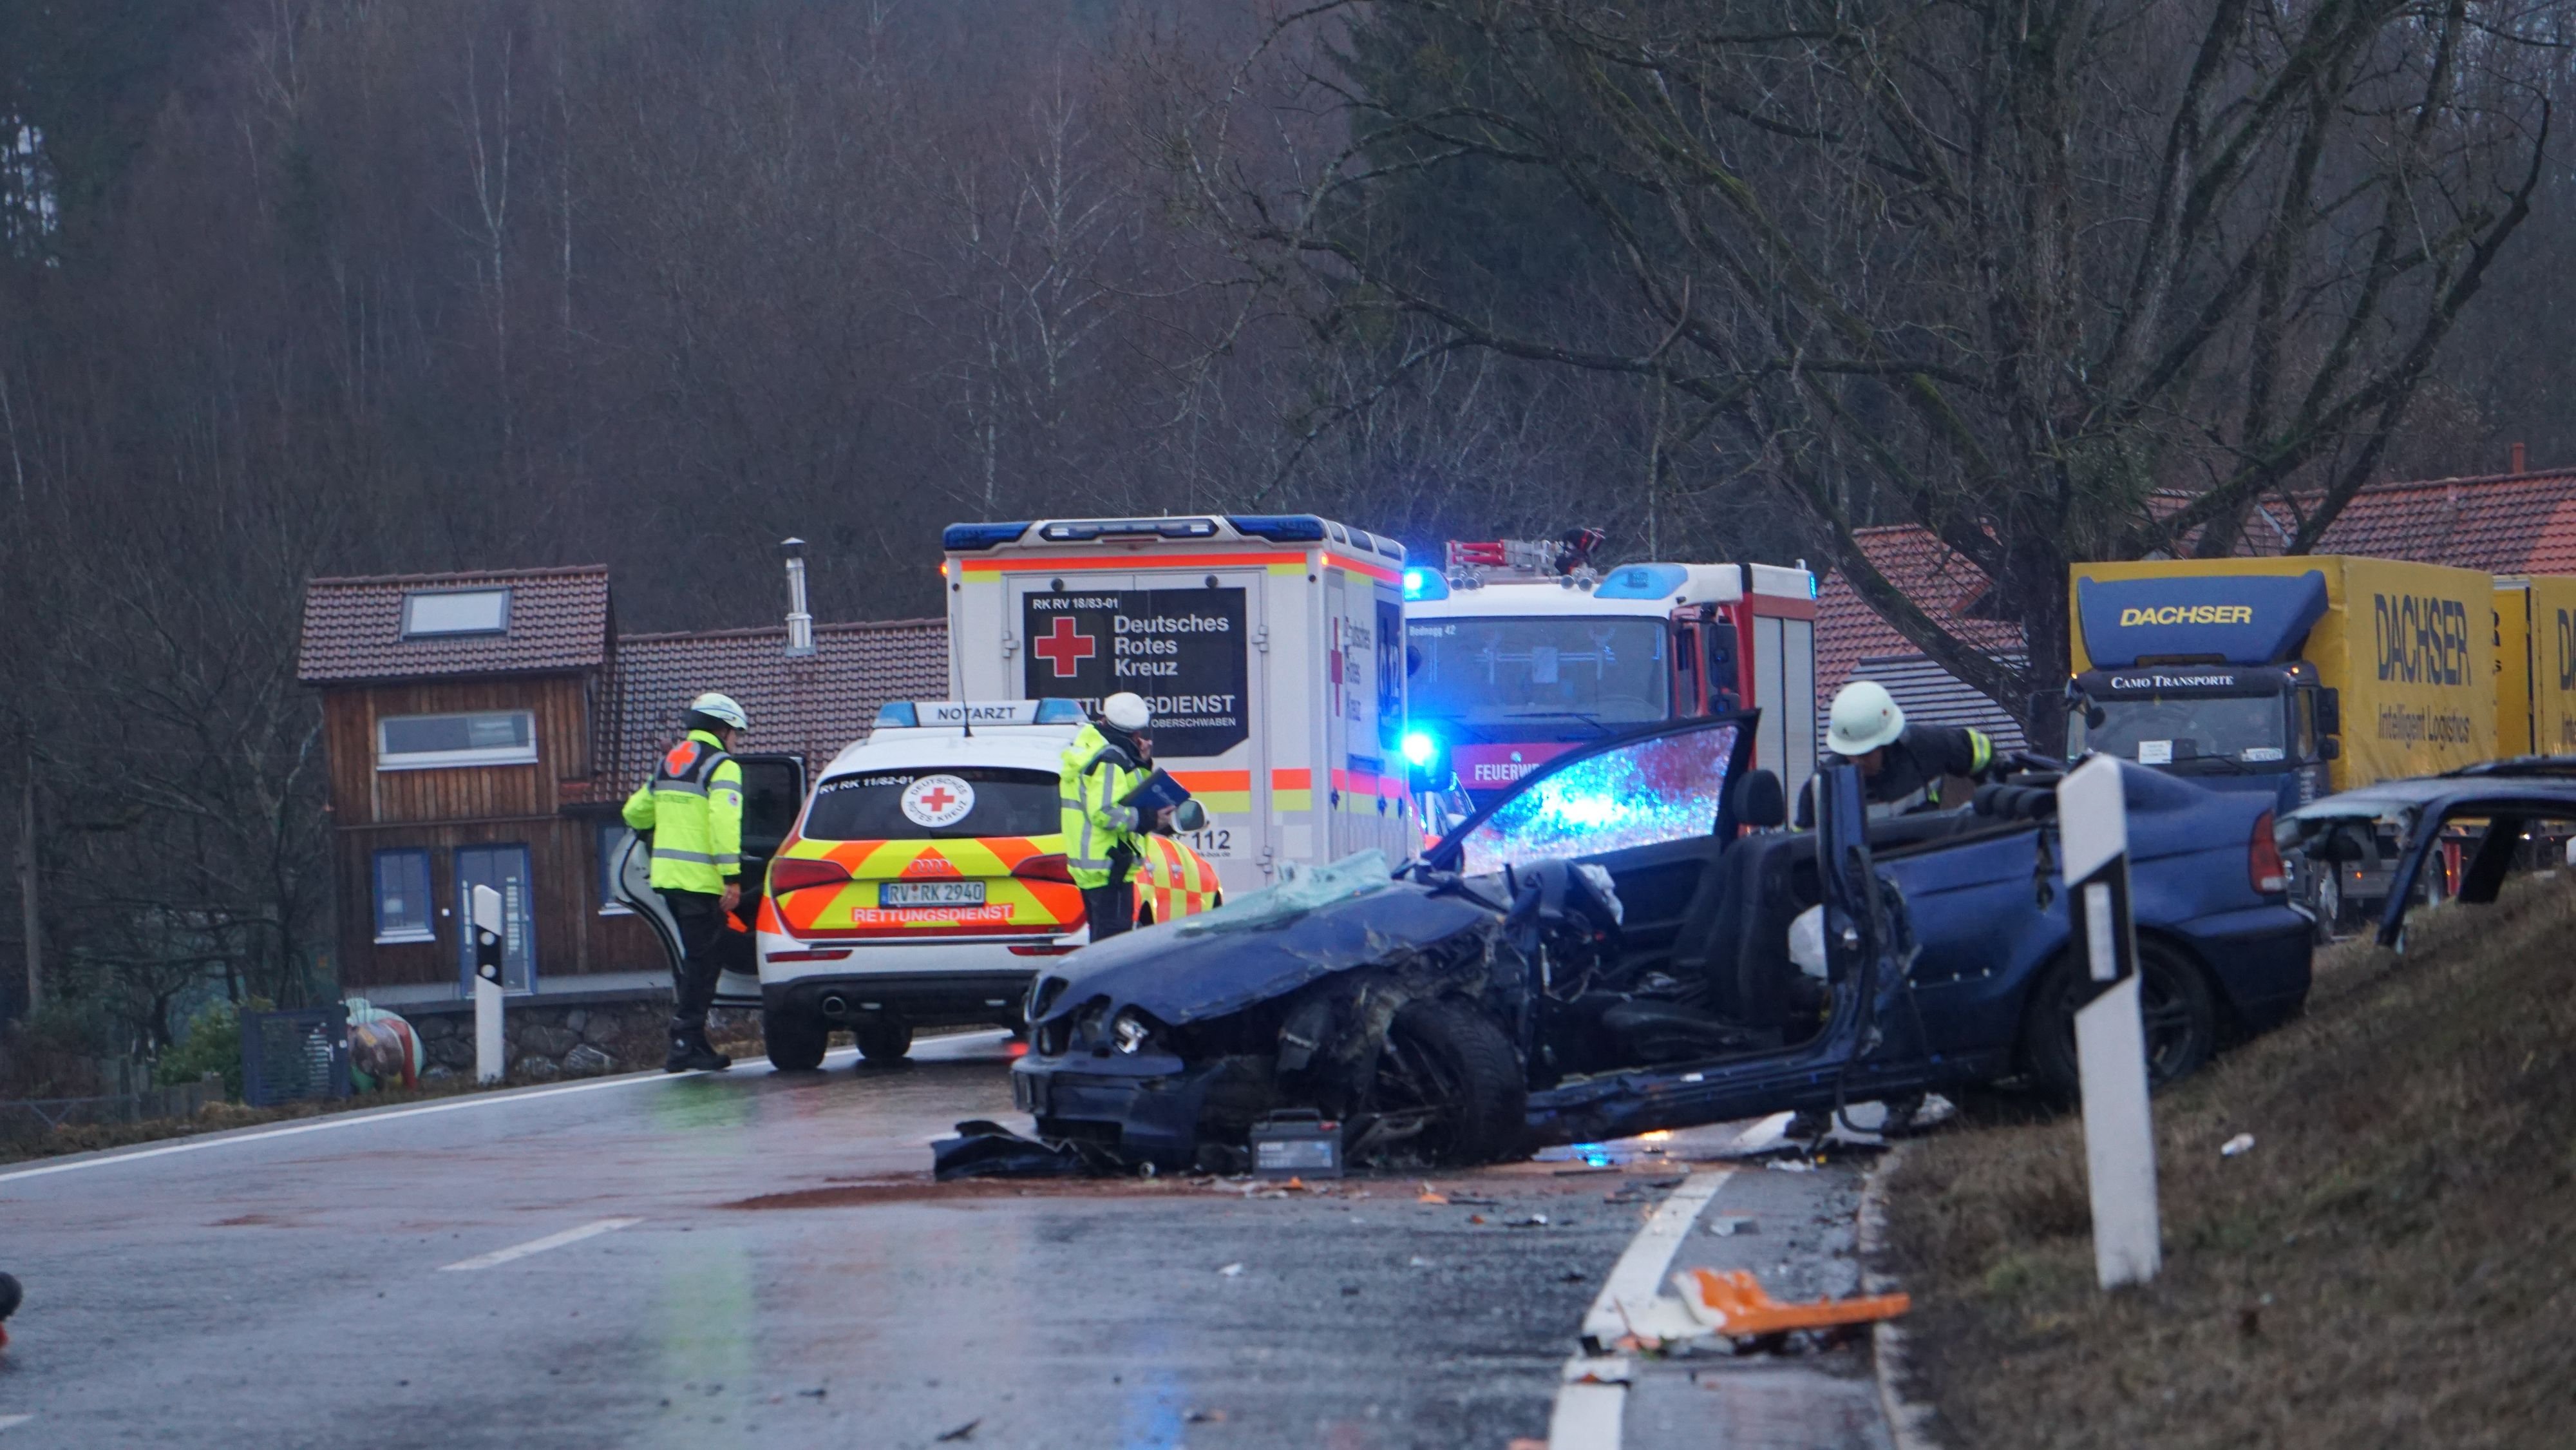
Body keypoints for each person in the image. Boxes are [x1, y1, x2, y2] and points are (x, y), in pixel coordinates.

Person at [623, 691, 752, 1073]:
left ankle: (691, 1043)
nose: (736, 740)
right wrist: (732, 877)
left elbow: (634, 812)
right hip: (701, 882)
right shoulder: (722, 766)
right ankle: (683, 1040)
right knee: (703, 963)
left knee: (699, 960)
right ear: (723, 728)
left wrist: (664, 827)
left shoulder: (670, 763)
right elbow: (724, 824)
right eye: (736, 733)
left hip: (668, 880)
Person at [1794, 680, 2000, 828]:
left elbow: (1984, 754)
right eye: (1850, 753)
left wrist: (1993, 802)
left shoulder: (1928, 747)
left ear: (1887, 740)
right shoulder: (1822, 787)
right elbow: (1803, 853)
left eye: (1865, 753)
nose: (1857, 762)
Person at [1059, 692, 1172, 942]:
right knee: (1112, 950)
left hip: (1097, 865)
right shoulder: (1111, 759)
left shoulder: (1090, 746)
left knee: (1101, 948)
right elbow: (1105, 812)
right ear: (1134, 733)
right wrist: (1149, 820)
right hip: (1111, 864)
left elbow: (1129, 794)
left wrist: (1141, 764)